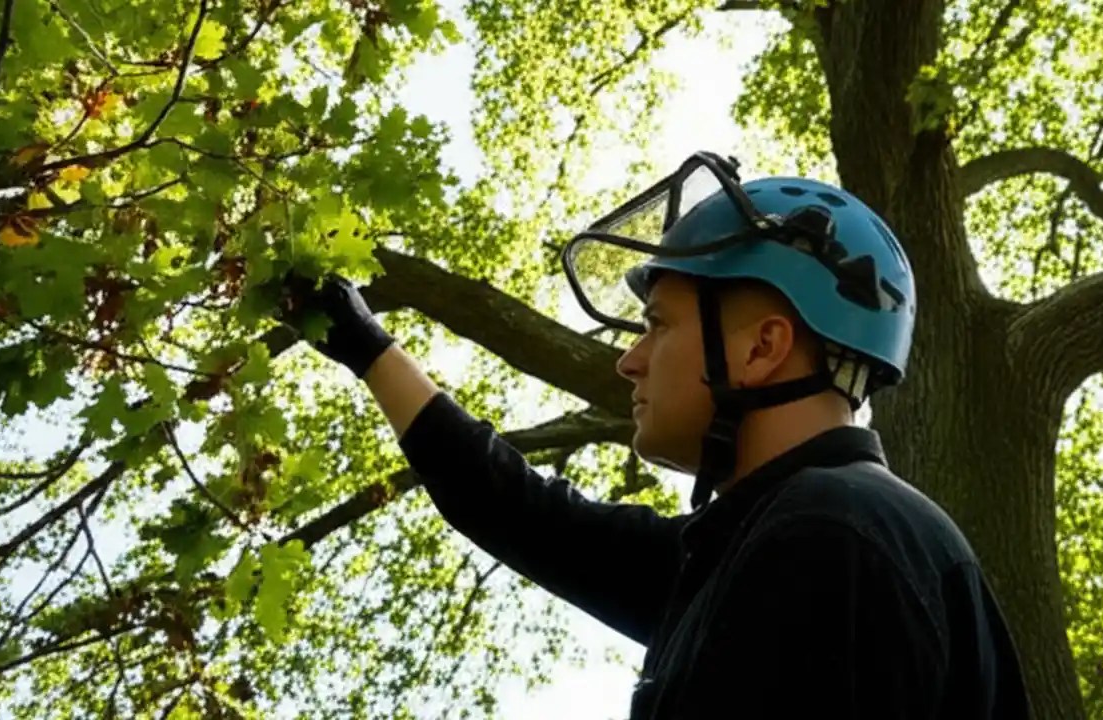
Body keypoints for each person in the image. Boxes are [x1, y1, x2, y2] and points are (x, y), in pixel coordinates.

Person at [282, 152, 1033, 718]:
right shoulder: (770, 541)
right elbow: (519, 510)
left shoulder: (827, 537)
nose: (627, 359)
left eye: (657, 325)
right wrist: (366, 348)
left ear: (761, 349)